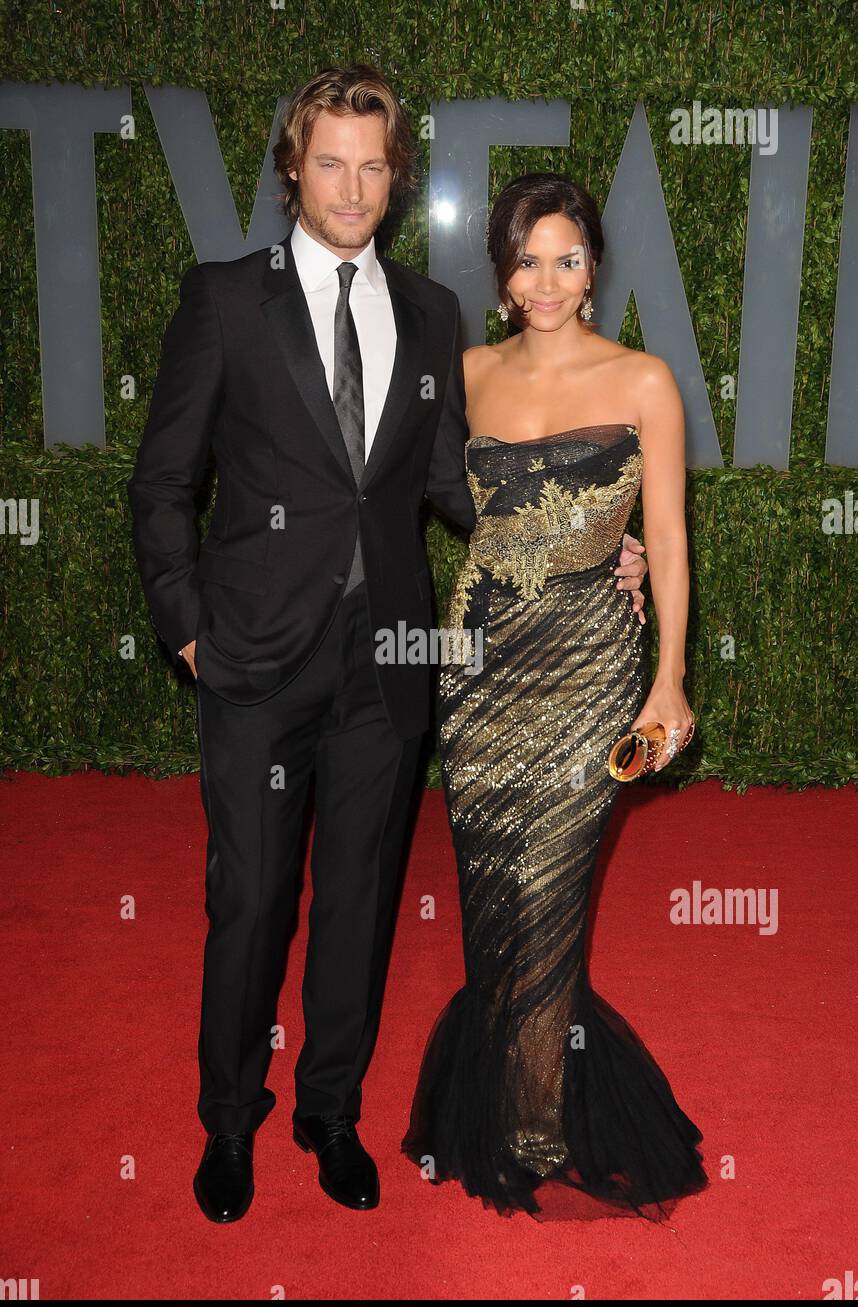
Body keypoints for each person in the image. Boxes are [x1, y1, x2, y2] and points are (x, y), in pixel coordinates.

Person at [127, 67, 649, 1223]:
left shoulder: (428, 312)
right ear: (293, 171)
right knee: (254, 898)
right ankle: (228, 1119)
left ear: (395, 177)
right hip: (254, 660)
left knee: (361, 899)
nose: (353, 187)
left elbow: (451, 487)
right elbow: (162, 484)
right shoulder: (223, 300)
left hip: (390, 664)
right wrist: (189, 632)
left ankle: (329, 1110)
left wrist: (587, 538)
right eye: (331, 163)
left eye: (374, 165)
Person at [402, 173, 708, 1221]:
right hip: (479, 665)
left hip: (589, 670)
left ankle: (535, 1125)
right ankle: (505, 1098)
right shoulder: (468, 370)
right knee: (492, 900)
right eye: (528, 258)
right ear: (501, 271)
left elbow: (666, 536)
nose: (547, 279)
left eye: (568, 258)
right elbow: (426, 492)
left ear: (595, 269)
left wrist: (668, 677)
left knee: (552, 892)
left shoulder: (645, 381)